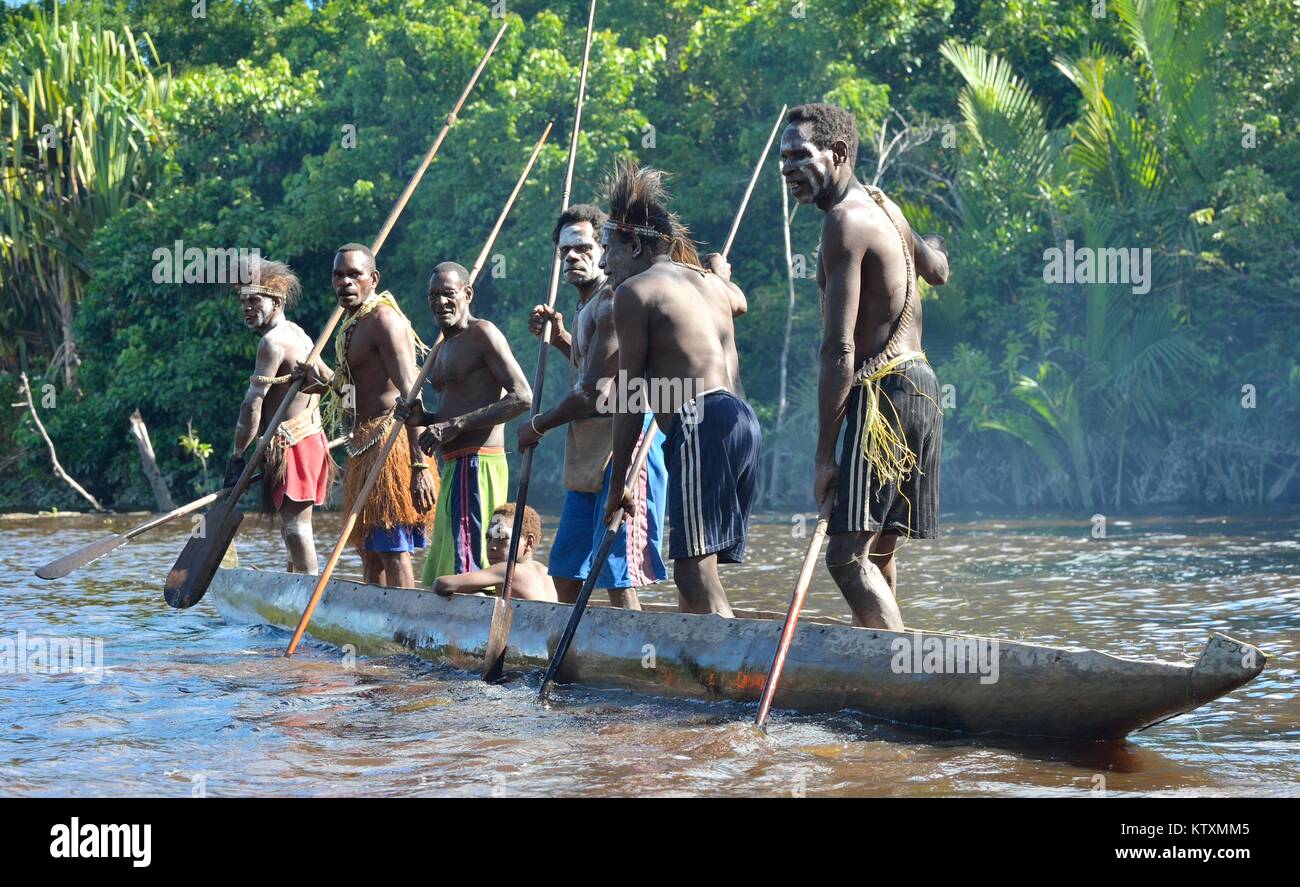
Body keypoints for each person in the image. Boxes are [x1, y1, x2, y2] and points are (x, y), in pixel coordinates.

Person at [781, 102, 949, 630]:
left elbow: (838, 350)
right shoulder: (884, 206)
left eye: (800, 156)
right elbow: (938, 270)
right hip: (921, 387)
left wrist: (823, 455)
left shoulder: (843, 223)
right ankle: (886, 666)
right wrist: (934, 241)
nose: (788, 169)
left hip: (886, 400)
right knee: (877, 553)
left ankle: (897, 663)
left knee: (846, 557)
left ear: (838, 154)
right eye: (783, 158)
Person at [599, 160, 760, 618]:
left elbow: (631, 394)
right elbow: (740, 301)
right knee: (700, 565)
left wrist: (617, 485)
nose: (604, 263)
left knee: (691, 571)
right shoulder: (712, 286)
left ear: (633, 244)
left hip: (700, 420)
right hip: (743, 422)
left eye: (609, 249)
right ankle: (698, 672)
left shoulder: (634, 293)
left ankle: (737, 677)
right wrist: (719, 273)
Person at [517, 204, 668, 610]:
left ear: (603, 249)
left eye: (583, 248)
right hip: (587, 452)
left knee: (617, 573)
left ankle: (632, 660)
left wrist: (538, 425)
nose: (572, 258)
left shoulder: (615, 300)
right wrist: (562, 339)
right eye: (564, 252)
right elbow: (597, 371)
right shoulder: (588, 305)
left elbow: (593, 393)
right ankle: (563, 654)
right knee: (565, 571)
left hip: (622, 448)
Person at [297, 243, 436, 588]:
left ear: (373, 279)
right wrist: (323, 384)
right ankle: (376, 625)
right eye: (338, 275)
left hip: (393, 443)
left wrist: (419, 467)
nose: (345, 282)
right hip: (364, 444)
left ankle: (409, 624)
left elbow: (411, 395)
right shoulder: (351, 324)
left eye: (354, 275)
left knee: (392, 544)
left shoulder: (383, 320)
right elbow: (354, 398)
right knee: (368, 548)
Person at [397, 261, 531, 588]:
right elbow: (453, 408)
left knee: (468, 564)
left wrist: (456, 424)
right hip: (454, 465)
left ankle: (474, 627)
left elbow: (522, 397)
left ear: (467, 294)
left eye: (448, 294)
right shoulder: (442, 348)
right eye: (433, 296)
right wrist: (424, 419)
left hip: (477, 462)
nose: (440, 303)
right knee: (449, 555)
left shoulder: (482, 334)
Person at [226, 256, 332, 574]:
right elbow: (327, 382)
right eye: (242, 301)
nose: (246, 308)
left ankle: (309, 594)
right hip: (311, 440)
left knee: (297, 528)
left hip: (294, 445)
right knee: (293, 528)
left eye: (254, 300)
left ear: (277, 301)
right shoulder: (299, 334)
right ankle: (295, 585)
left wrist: (237, 456)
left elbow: (251, 405)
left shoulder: (272, 343)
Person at [432, 502, 557, 602]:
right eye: (489, 538)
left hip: (521, 633)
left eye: (502, 538)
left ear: (528, 542)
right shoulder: (548, 573)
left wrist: (474, 588)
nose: (492, 546)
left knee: (478, 596)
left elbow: (442, 584)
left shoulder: (507, 570)